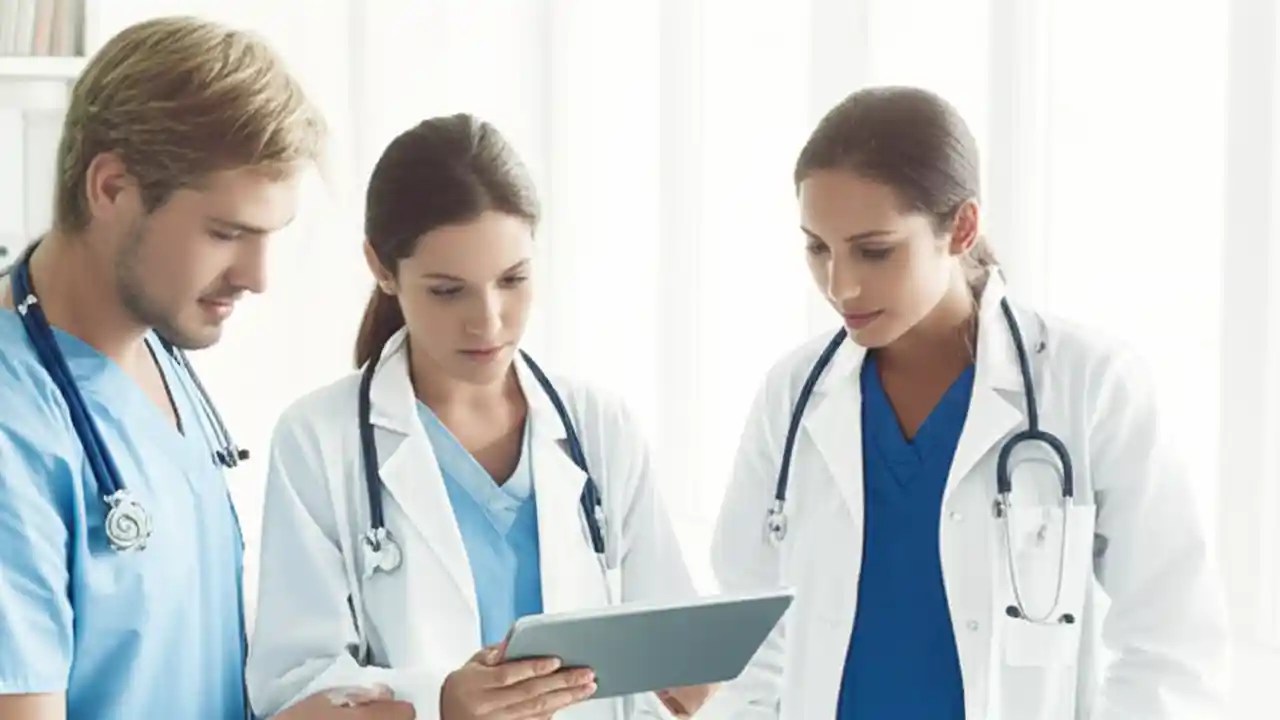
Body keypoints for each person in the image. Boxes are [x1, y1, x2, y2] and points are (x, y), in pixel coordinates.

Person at [708, 86, 1229, 719]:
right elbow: (746, 638)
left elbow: (1170, 640)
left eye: (875, 251)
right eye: (817, 247)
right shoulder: (794, 396)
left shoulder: (1089, 386)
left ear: (961, 227)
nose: (839, 284)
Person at [245, 114, 717, 720]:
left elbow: (669, 651)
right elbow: (292, 691)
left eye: (513, 280)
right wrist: (437, 704)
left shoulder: (597, 424)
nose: (489, 322)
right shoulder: (319, 440)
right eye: (448, 290)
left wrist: (688, 683)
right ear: (382, 268)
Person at [0, 16, 327, 720]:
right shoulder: (13, 428)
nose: (258, 276)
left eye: (270, 237)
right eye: (226, 233)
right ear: (112, 188)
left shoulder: (159, 348)